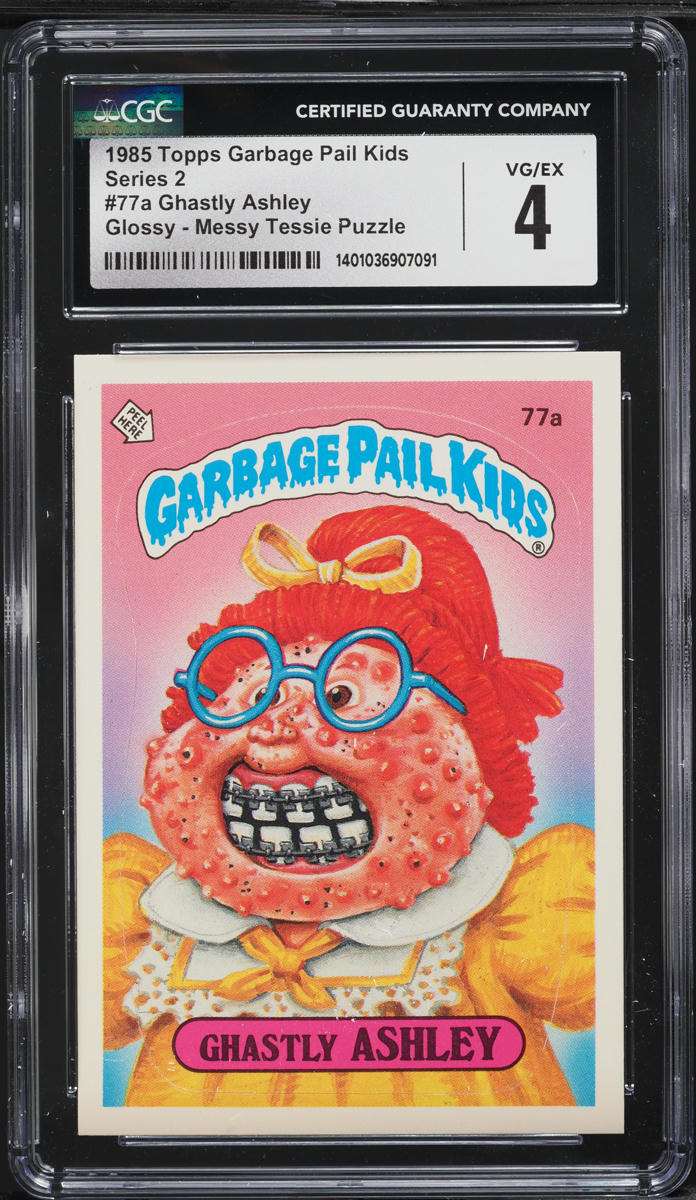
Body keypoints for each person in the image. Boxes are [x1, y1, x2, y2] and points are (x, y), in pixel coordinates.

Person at [103, 505, 594, 1107]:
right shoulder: (142, 924)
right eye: (255, 695)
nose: (274, 731)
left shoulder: (516, 917)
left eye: (339, 696)